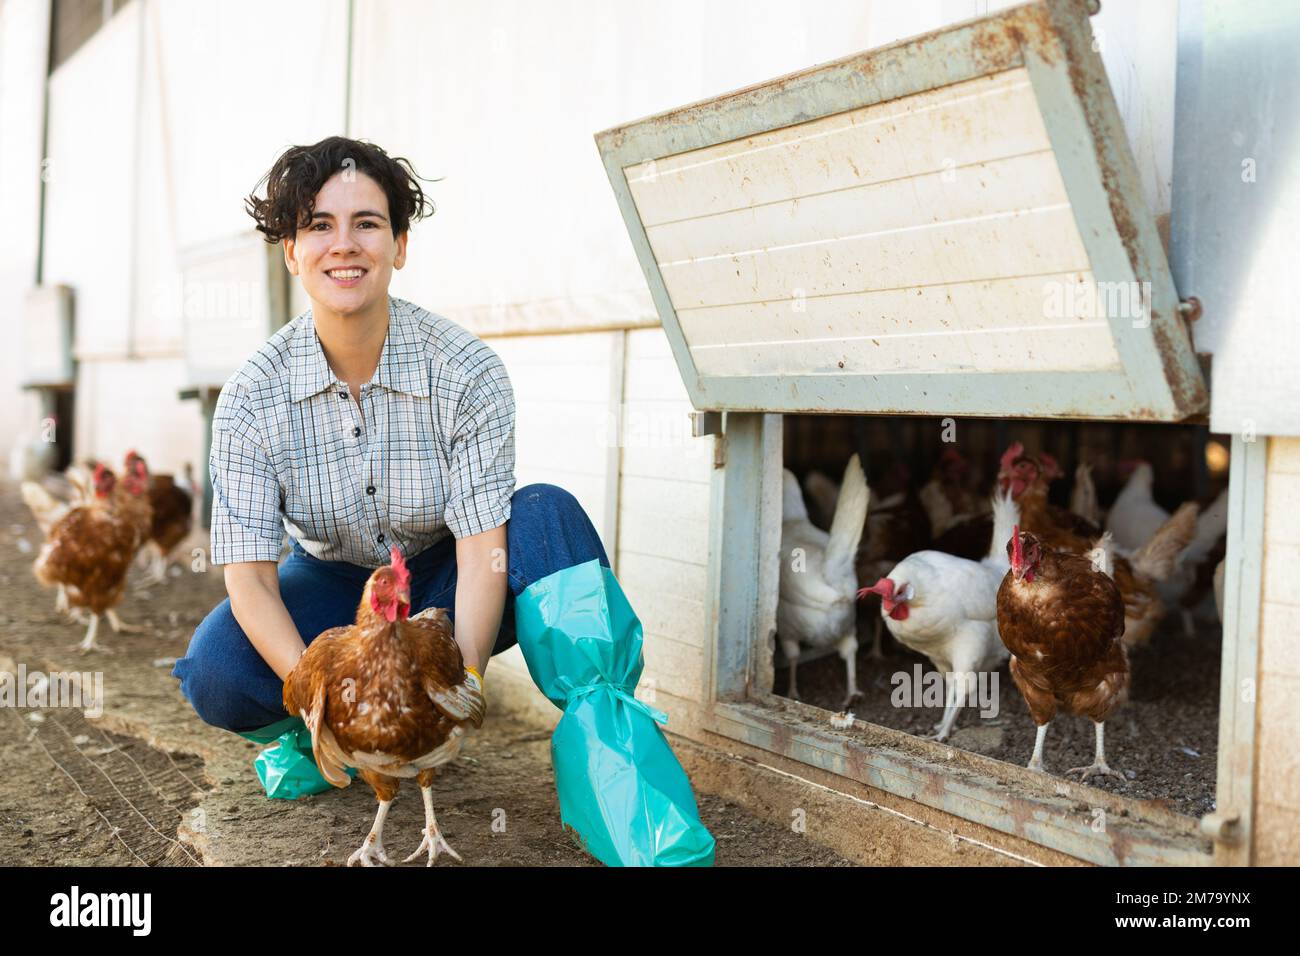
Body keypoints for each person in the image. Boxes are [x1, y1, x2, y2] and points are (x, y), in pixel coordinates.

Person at [172, 136, 610, 745]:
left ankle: (610, 749)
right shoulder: (251, 397)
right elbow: (249, 577)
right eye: (319, 225)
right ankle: (328, 742)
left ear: (399, 246)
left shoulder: (465, 370)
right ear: (292, 253)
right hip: (332, 590)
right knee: (216, 668)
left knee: (546, 516)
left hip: (448, 575)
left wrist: (462, 687)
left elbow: (483, 550)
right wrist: (320, 702)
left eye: (368, 223)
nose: (344, 244)